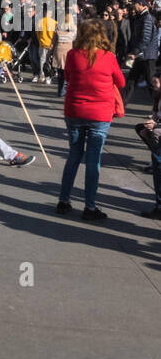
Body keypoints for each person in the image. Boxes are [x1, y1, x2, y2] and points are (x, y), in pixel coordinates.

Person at [56, 17, 125, 222]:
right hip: (100, 113)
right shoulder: (108, 57)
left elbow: (68, 77)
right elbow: (120, 81)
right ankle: (90, 205)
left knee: (74, 155)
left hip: (75, 110)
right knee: (93, 161)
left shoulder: (73, 55)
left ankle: (64, 200)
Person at [124, 0, 159, 105]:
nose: (133, 6)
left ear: (140, 4)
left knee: (151, 84)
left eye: (134, 4)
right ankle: (120, 105)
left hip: (147, 56)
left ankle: (157, 108)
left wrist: (134, 52)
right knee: (131, 80)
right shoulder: (140, 17)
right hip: (141, 55)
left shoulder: (147, 18)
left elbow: (145, 38)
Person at [52, 10, 78, 97]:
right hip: (69, 51)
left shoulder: (58, 28)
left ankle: (60, 90)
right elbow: (75, 42)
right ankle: (67, 90)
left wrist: (50, 53)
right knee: (69, 73)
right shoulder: (74, 29)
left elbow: (53, 42)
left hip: (59, 50)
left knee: (60, 73)